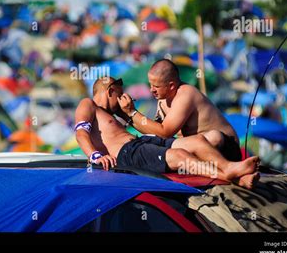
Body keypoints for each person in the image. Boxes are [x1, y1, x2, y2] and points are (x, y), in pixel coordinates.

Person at [74, 77, 260, 189]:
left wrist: (130, 113)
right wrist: (95, 155)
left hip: (142, 143)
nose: (122, 98)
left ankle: (231, 169)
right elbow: (81, 133)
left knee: (198, 141)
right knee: (179, 156)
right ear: (110, 91)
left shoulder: (111, 115)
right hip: (128, 153)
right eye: (119, 94)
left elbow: (153, 129)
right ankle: (227, 175)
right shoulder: (88, 104)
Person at [117, 59, 242, 161]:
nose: (151, 90)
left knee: (214, 137)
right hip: (198, 146)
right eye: (150, 85)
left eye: (156, 86)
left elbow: (165, 132)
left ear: (171, 85)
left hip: (226, 147)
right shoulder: (162, 99)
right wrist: (127, 116)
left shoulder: (186, 94)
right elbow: (155, 130)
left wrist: (133, 112)